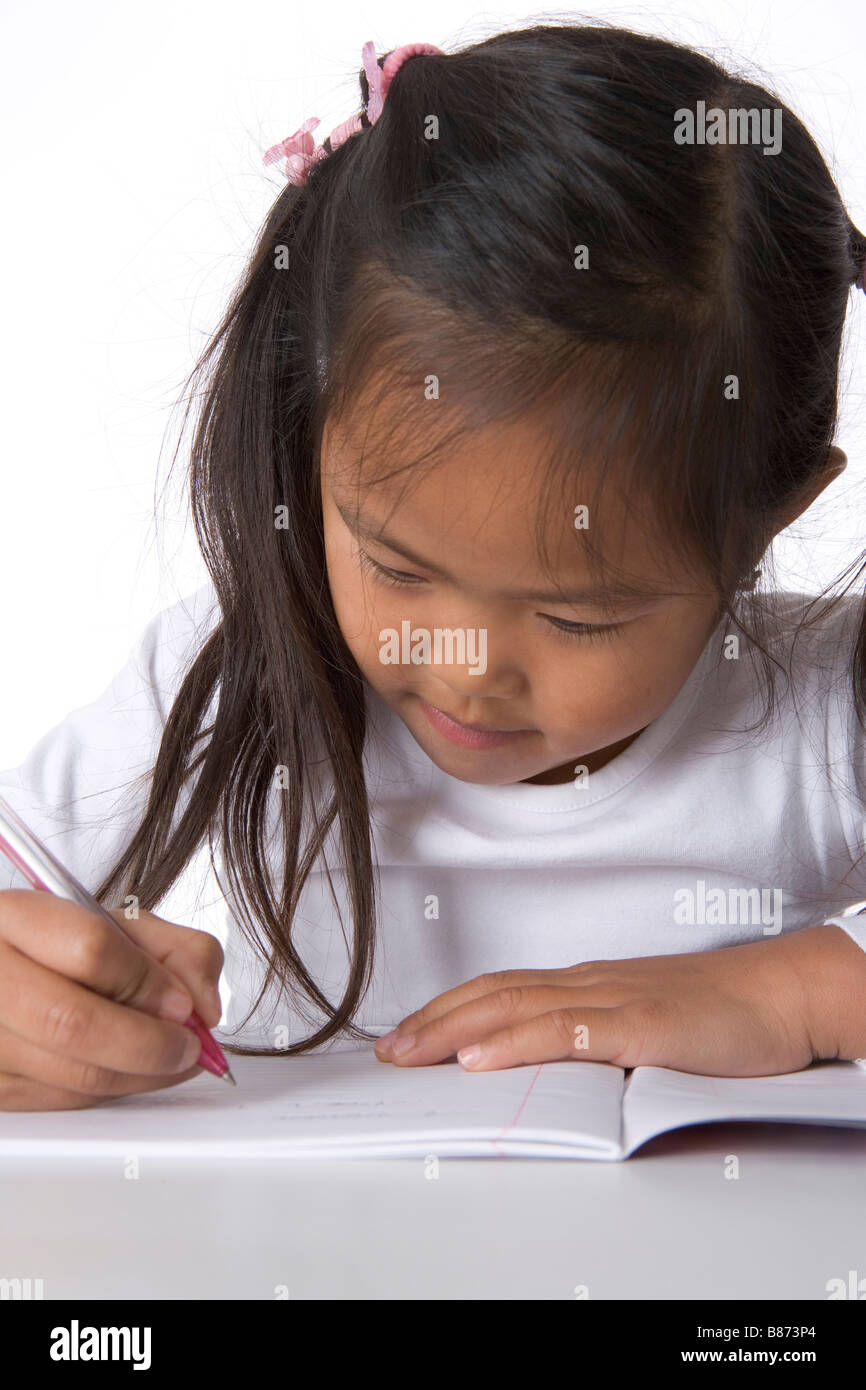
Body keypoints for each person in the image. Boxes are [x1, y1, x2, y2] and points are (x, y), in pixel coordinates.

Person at [2, 23, 866, 1111]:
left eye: (576, 618)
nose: (460, 667)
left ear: (763, 523)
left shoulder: (823, 708)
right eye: (397, 566)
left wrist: (794, 994)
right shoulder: (237, 671)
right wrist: (51, 992)